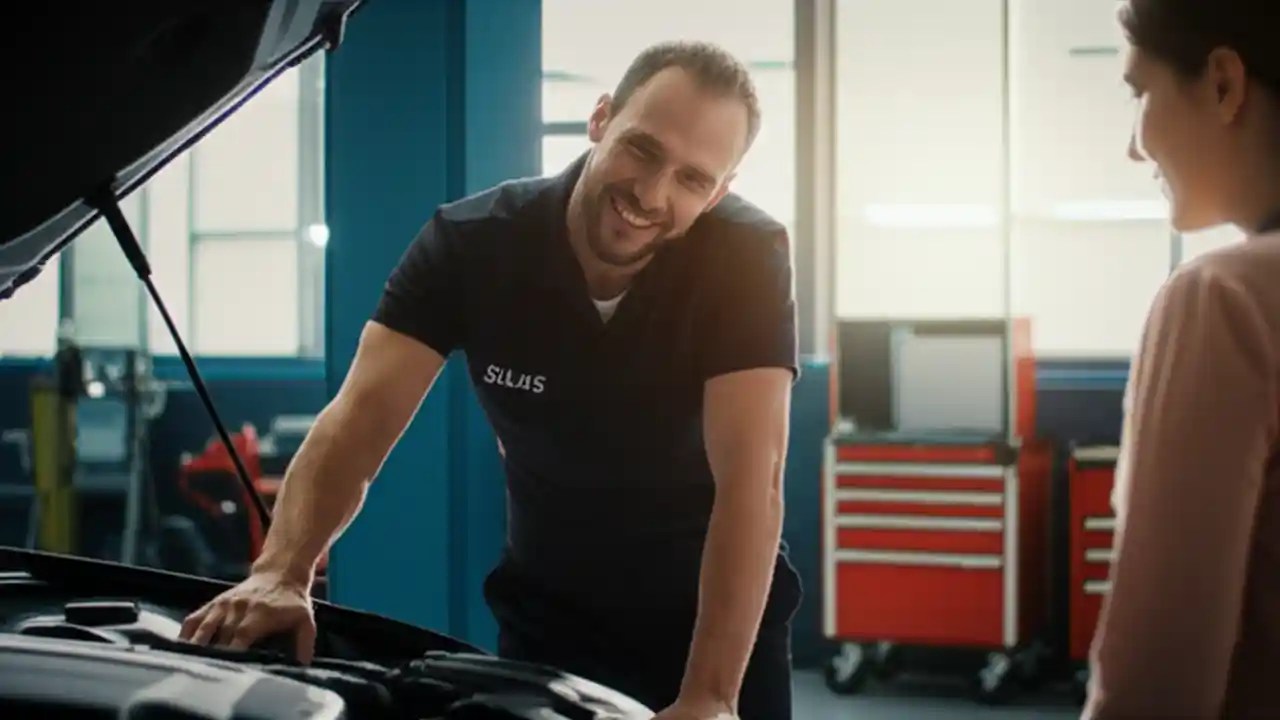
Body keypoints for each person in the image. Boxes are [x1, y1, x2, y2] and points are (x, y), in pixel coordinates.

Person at [178, 40, 802, 720]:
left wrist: (710, 696)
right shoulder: (473, 244)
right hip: (552, 621)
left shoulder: (746, 256)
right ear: (600, 120)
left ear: (719, 192)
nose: (651, 195)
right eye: (643, 150)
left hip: (716, 624)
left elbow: (752, 482)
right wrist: (281, 570)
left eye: (692, 179)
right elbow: (358, 419)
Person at [1084, 0, 1280, 718]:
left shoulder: (1224, 300)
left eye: (1141, 92)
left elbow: (1155, 685)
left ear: (1224, 84)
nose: (1136, 146)